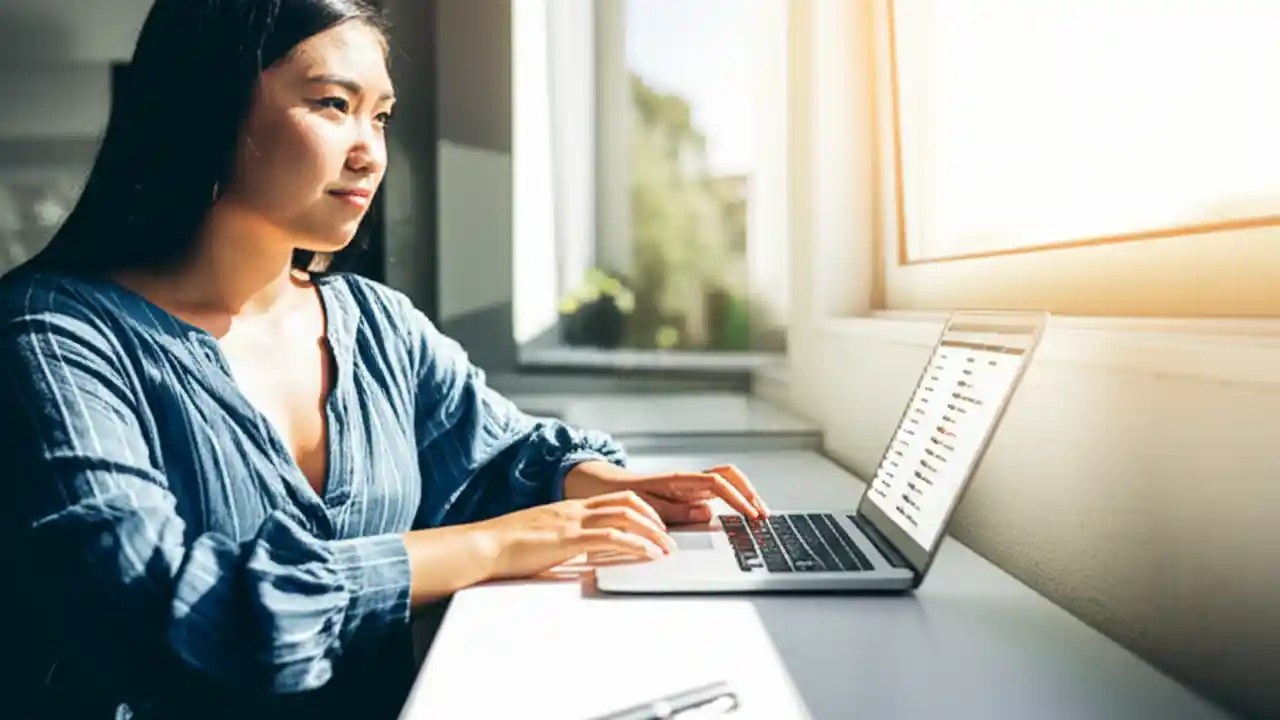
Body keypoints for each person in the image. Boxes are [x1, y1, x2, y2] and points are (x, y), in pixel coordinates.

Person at [0, 1, 770, 717]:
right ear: (210, 101)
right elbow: (156, 604)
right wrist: (494, 545)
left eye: (382, 116)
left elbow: (495, 456)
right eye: (333, 105)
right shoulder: (55, 332)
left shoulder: (374, 323)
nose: (369, 153)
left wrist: (607, 486)